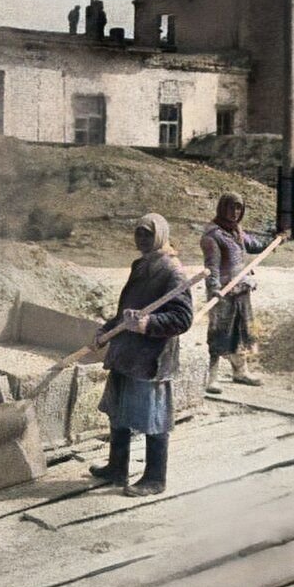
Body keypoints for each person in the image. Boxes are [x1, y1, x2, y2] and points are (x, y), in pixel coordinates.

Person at [88, 213, 194, 497]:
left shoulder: (172, 271)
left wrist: (148, 324)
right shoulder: (142, 265)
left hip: (151, 357)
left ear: (160, 235)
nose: (142, 238)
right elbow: (128, 309)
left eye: (148, 233)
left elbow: (182, 318)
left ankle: (154, 478)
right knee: (119, 413)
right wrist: (107, 329)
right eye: (138, 233)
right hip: (127, 353)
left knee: (153, 419)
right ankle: (117, 468)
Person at [200, 192, 272, 394]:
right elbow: (211, 266)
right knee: (219, 334)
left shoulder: (237, 232)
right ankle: (211, 378)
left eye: (239, 208)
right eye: (231, 207)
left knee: (240, 332)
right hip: (222, 292)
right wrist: (214, 288)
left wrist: (276, 239)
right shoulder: (212, 235)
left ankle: (240, 372)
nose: (235, 212)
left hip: (241, 289)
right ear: (222, 208)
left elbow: (256, 245)